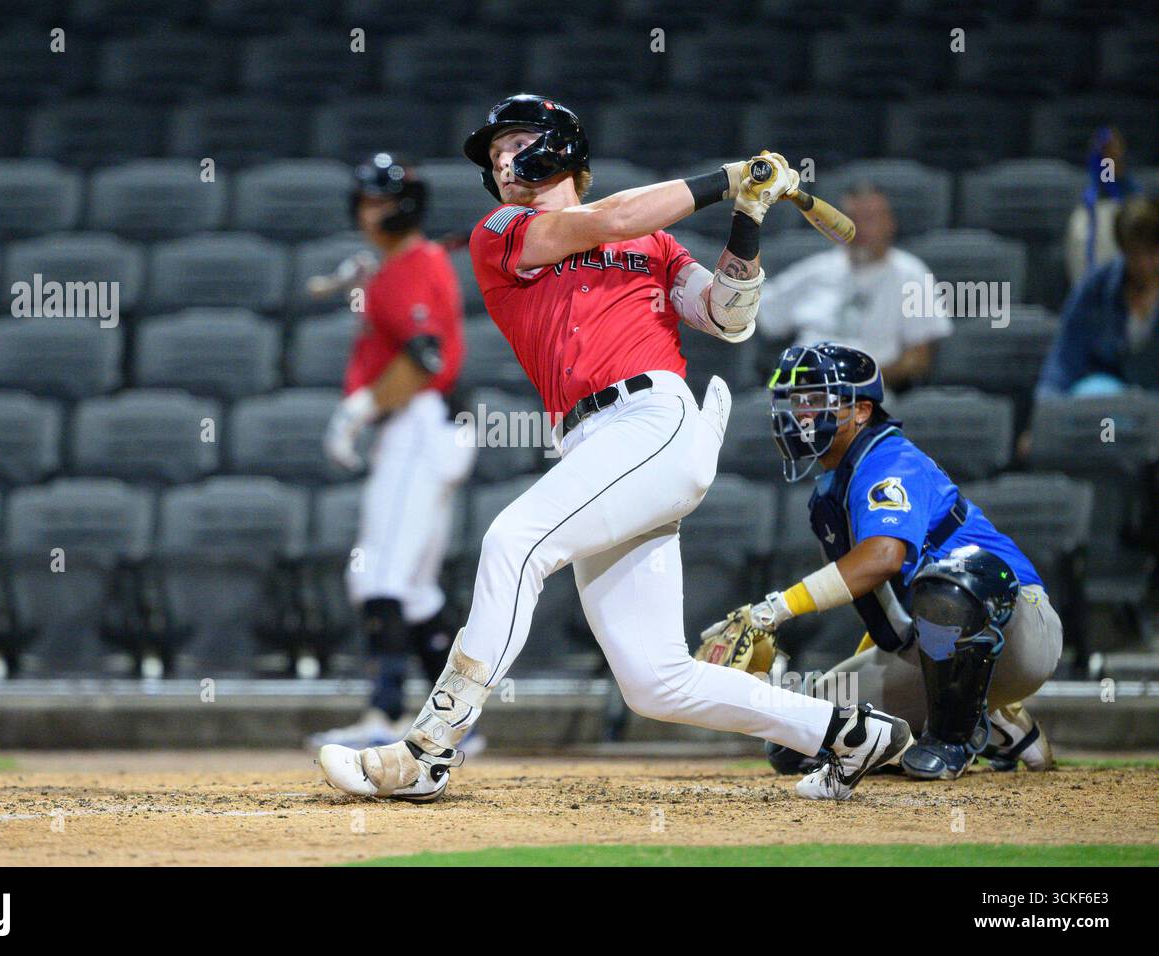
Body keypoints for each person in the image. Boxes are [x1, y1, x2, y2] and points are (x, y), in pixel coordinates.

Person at [318, 93, 914, 804]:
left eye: (514, 143)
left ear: (559, 148)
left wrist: (747, 219)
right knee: (653, 678)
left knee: (515, 541)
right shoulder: (503, 230)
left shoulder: (655, 243)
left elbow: (729, 318)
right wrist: (731, 178)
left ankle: (428, 750)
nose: (501, 160)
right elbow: (603, 219)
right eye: (495, 152)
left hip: (650, 421)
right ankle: (847, 732)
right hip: (595, 447)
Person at [696, 343, 1061, 780]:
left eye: (814, 399)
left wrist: (772, 611)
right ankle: (999, 721)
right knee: (798, 741)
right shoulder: (830, 494)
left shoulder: (890, 461)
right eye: (795, 400)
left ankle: (952, 740)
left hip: (1020, 627)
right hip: (932, 645)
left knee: (947, 584)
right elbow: (882, 602)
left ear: (862, 410)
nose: (799, 413)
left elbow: (885, 558)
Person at [310, 154, 479, 753]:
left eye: (378, 202)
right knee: (416, 587)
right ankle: (456, 723)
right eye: (366, 201)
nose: (369, 212)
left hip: (419, 422)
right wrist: (375, 279)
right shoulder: (402, 265)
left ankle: (384, 714)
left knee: (378, 574)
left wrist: (358, 410)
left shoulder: (409, 266)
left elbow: (424, 358)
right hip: (430, 427)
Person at [759, 185, 951, 389]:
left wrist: (858, 381)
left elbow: (918, 360)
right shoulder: (817, 269)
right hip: (799, 386)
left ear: (889, 224)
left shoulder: (912, 274)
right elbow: (764, 315)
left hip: (866, 394)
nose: (858, 227)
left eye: (869, 219)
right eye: (850, 218)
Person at [1037, 194, 1159, 396]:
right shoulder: (1094, 289)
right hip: (1107, 401)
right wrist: (1045, 413)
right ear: (1123, 250)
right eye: (1136, 254)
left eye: (1152, 253)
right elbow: (1063, 362)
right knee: (1094, 390)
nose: (1144, 265)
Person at [1064, 127, 1140, 286]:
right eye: (1105, 152)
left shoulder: (1138, 208)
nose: (1110, 156)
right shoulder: (1083, 218)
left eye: (1114, 151)